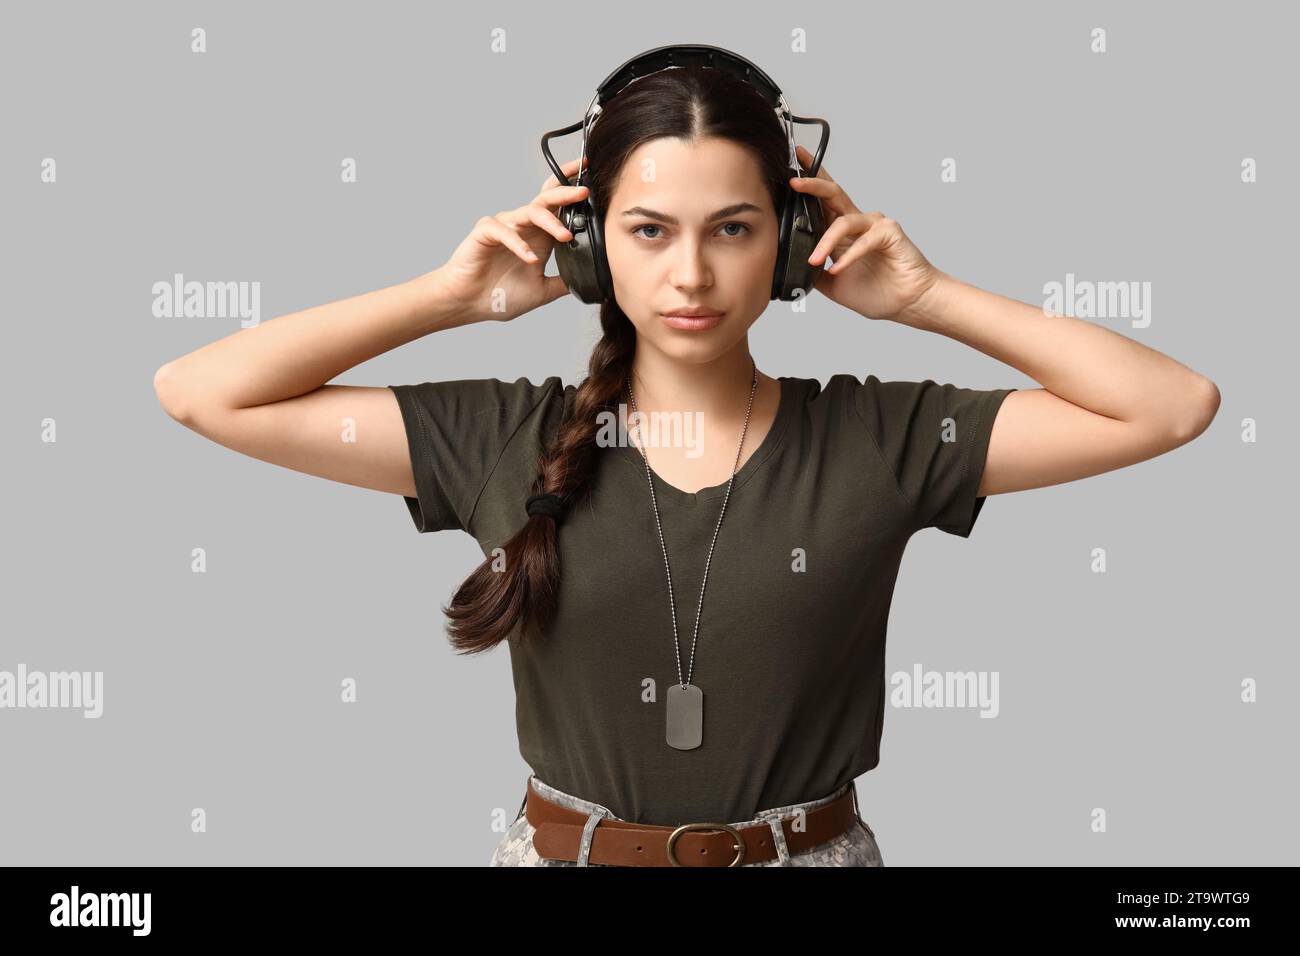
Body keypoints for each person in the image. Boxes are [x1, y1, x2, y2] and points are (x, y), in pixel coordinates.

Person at [152, 64, 1219, 867]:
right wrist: (452, 296)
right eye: (649, 230)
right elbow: (202, 390)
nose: (691, 273)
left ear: (795, 244)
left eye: (736, 229)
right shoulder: (498, 437)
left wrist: (927, 297)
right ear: (586, 247)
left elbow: (1171, 406)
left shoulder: (882, 437)